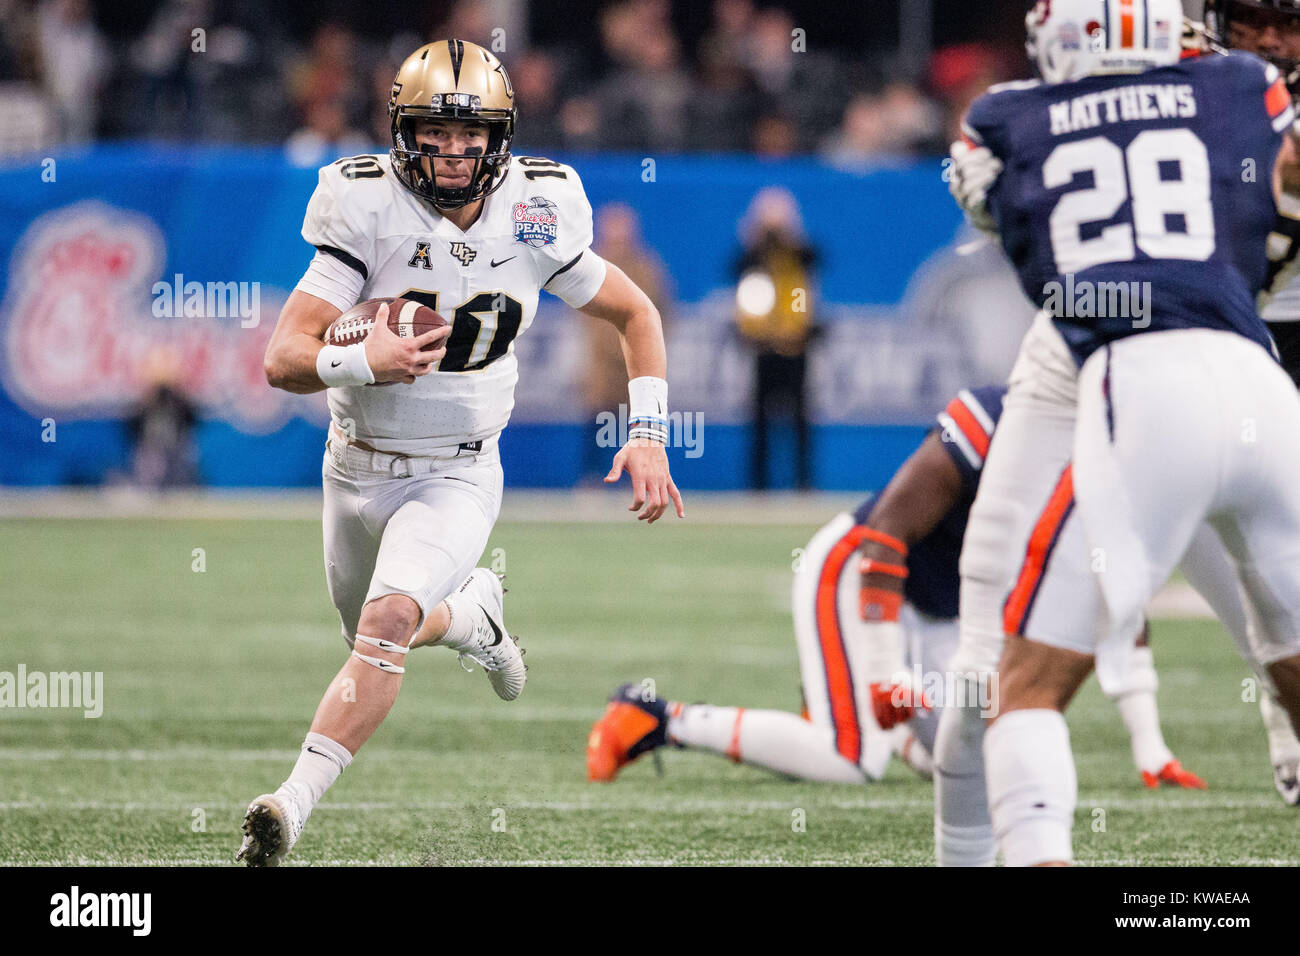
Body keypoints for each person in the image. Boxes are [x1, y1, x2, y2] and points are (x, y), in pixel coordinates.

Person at [238, 40, 684, 866]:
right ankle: (473, 615)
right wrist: (361, 357)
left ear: (499, 136)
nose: (451, 151)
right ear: (402, 135)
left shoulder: (538, 207)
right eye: (432, 134)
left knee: (385, 624)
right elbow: (281, 359)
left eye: (468, 134)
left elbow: (637, 315)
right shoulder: (363, 203)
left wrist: (650, 432)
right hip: (354, 460)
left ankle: (287, 806)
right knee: (370, 635)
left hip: (458, 467)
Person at [946, 0, 1300, 866]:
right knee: (1285, 655)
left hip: (1138, 376)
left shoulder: (1006, 118)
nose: (1270, 39)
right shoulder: (1242, 89)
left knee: (1014, 685)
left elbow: (1007, 221)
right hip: (1245, 366)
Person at [587, 386, 1204, 796]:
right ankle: (655, 719)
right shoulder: (999, 419)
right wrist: (883, 672)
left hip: (941, 611)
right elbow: (887, 534)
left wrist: (1150, 746)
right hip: (860, 571)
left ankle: (876, 722)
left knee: (983, 767)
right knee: (851, 760)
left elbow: (1120, 598)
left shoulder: (1114, 469)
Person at [1204, 0, 1300, 807]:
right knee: (1254, 536)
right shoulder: (1186, 87)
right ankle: (1281, 700)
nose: (1270, 41)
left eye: (1289, 23)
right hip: (1227, 331)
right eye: (1252, 20)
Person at [734, 187, 818, 490]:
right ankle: (758, 485)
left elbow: (815, 257)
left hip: (795, 345)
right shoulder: (754, 257)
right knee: (760, 421)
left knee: (799, 421)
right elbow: (736, 266)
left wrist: (788, 233)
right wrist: (757, 234)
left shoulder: (797, 255)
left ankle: (803, 483)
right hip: (763, 346)